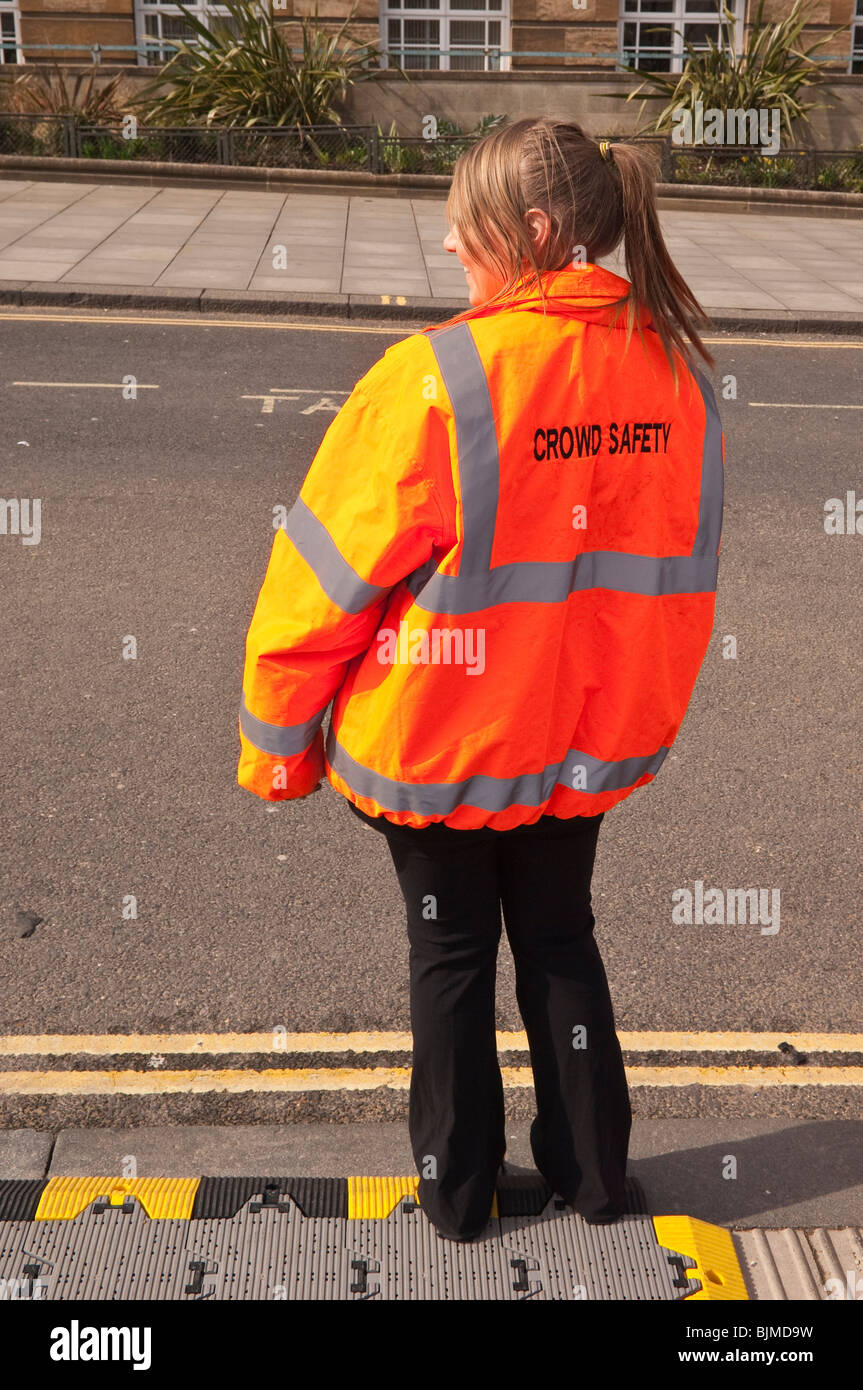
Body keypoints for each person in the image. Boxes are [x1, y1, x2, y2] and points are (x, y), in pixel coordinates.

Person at [237, 119, 724, 1243]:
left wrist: (278, 744)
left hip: (442, 742)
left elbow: (322, 583)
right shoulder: (673, 370)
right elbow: (670, 573)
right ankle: (598, 1182)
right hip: (579, 743)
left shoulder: (439, 376)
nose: (451, 246)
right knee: (561, 941)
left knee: (448, 956)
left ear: (533, 232)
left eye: (464, 226)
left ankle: (457, 1199)